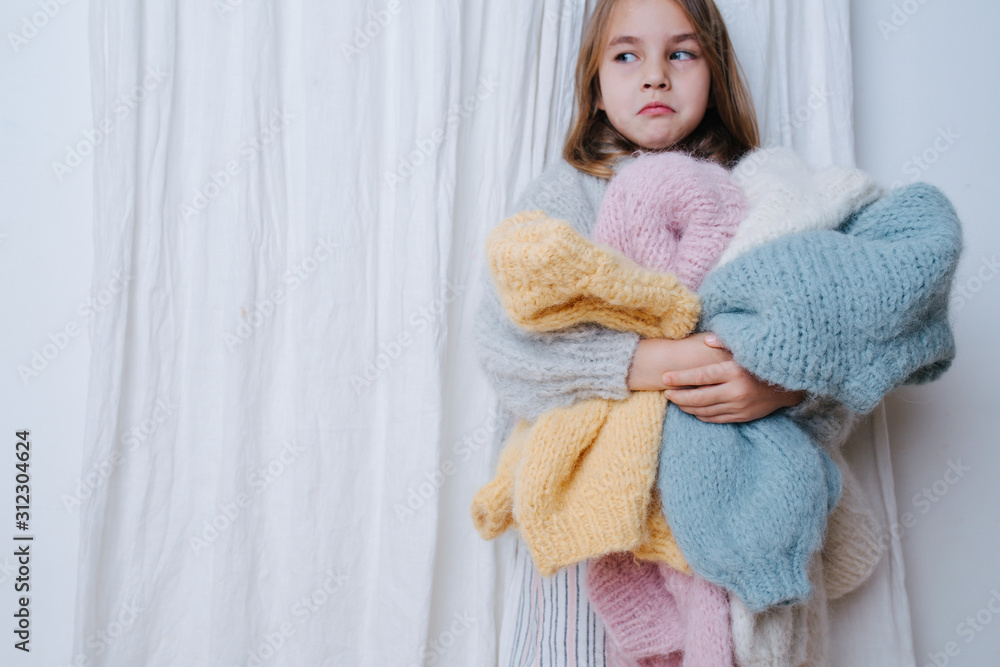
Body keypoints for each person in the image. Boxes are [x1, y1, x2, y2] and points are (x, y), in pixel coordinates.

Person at [472, 0, 960, 664]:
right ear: (594, 80)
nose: (654, 76)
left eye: (681, 52)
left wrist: (778, 388)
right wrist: (667, 359)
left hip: (732, 520)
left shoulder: (769, 196)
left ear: (716, 69)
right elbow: (508, 346)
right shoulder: (564, 201)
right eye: (626, 56)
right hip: (596, 528)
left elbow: (841, 338)